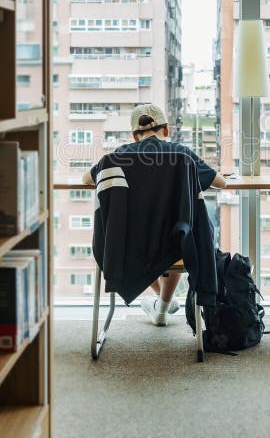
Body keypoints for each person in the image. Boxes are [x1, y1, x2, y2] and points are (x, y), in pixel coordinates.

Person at [82, 103, 226, 326]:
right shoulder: (182, 155)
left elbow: (87, 179)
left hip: (125, 245)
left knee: (155, 233)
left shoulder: (119, 155)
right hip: (175, 242)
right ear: (166, 130)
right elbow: (221, 183)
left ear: (135, 135)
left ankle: (161, 304)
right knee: (179, 227)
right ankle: (163, 306)